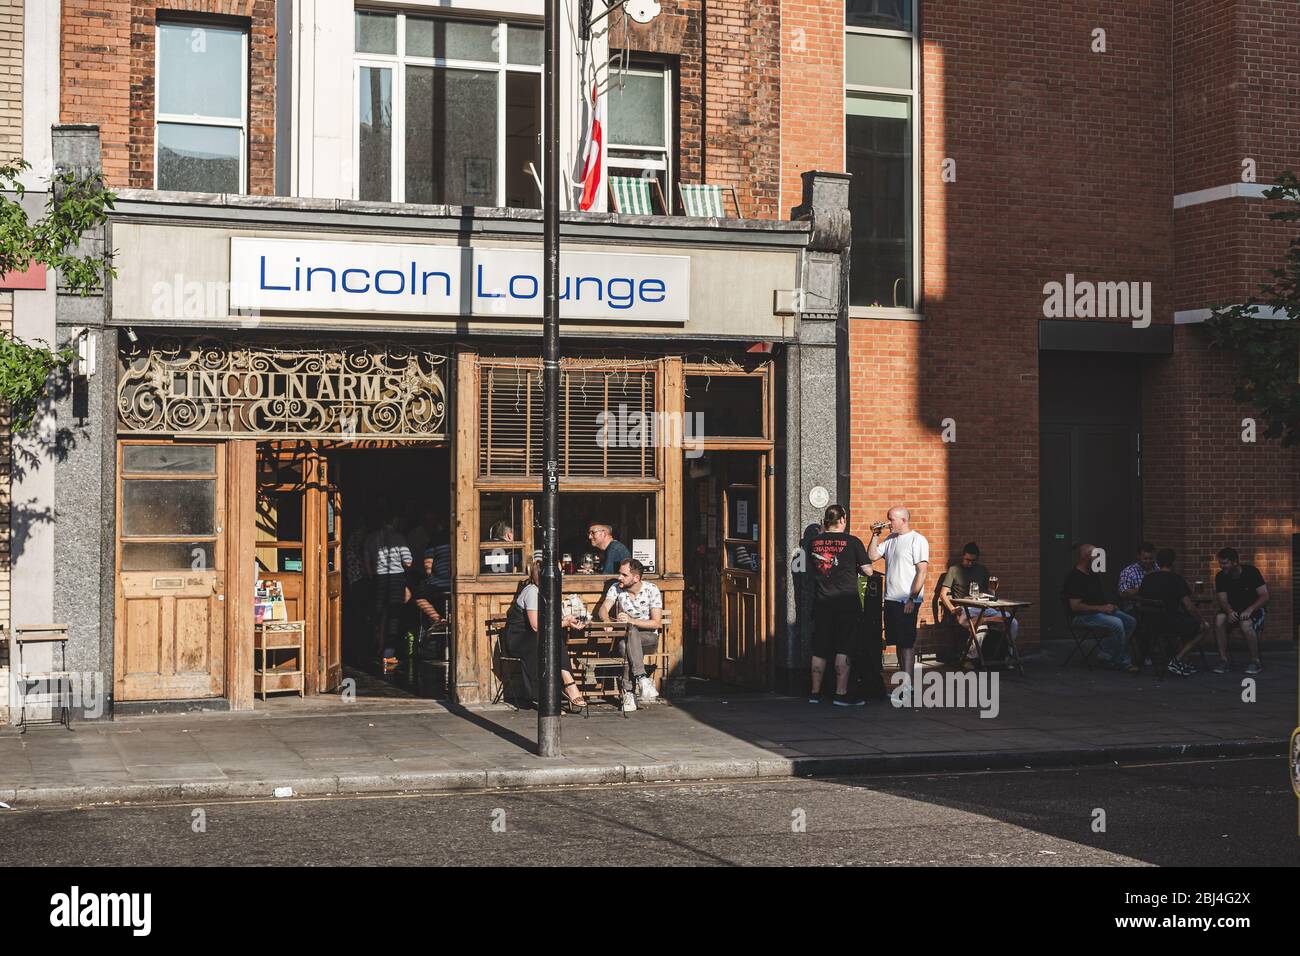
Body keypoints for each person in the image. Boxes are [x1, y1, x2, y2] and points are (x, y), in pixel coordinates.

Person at [807, 504, 871, 706]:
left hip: (822, 601)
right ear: (843, 519)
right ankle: (841, 694)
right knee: (844, 647)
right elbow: (868, 571)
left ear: (826, 520)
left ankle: (815, 694)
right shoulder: (852, 542)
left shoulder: (813, 543)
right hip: (846, 602)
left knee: (819, 648)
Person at [501, 557, 585, 710]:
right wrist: (564, 623)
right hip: (518, 639)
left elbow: (548, 621)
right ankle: (565, 687)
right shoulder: (533, 591)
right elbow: (536, 626)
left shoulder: (545, 591)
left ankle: (563, 687)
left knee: (552, 638)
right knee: (548, 639)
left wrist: (567, 619)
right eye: (557, 572)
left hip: (533, 637)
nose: (560, 575)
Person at [867, 506, 929, 695]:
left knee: (907, 643)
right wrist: (875, 535)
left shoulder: (917, 540)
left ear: (903, 520)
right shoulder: (890, 539)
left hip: (906, 601)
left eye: (891, 519)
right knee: (899, 643)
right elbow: (872, 556)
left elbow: (922, 571)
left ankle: (908, 686)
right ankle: (904, 682)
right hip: (891, 599)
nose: (888, 523)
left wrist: (912, 598)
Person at [595, 558, 662, 712]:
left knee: (628, 637)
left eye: (624, 575)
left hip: (649, 638)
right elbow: (603, 609)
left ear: (636, 578)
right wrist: (607, 621)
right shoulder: (616, 588)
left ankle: (628, 693)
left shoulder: (652, 590)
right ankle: (642, 679)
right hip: (625, 637)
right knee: (626, 643)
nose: (619, 577)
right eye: (620, 574)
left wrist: (631, 620)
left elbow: (656, 623)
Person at [1062, 542, 1138, 672]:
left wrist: (1107, 606)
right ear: (1086, 556)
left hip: (1098, 612)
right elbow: (1075, 607)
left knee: (1130, 621)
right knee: (1117, 624)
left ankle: (1106, 652)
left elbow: (1098, 599)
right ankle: (1119, 661)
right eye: (1096, 555)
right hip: (1081, 616)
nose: (1099, 558)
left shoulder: (1093, 574)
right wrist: (1101, 608)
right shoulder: (1075, 577)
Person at [939, 542, 1018, 664]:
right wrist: (952, 609)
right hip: (965, 608)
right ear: (963, 556)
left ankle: (1008, 656)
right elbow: (943, 594)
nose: (970, 563)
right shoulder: (954, 570)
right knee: (981, 627)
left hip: (983, 606)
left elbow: (990, 592)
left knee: (1012, 622)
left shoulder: (982, 570)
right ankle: (970, 658)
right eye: (967, 560)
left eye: (973, 561)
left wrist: (993, 595)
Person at [1137, 548, 1207, 677]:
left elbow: (1141, 599)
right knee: (1201, 628)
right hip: (1168, 624)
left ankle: (1183, 662)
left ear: (1157, 561)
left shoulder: (1148, 578)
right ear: (1173, 562)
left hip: (1147, 623)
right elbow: (1189, 606)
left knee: (1185, 622)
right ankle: (1176, 660)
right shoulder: (1176, 579)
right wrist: (1203, 620)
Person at [366, 505, 412, 667]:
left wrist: (373, 576)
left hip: (378, 578)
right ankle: (388, 654)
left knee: (379, 614)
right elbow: (407, 561)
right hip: (395, 579)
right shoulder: (398, 538)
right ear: (395, 520)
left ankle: (376, 647)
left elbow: (366, 562)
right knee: (393, 614)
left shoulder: (371, 538)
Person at [1212, 547, 1269, 675]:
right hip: (1233, 610)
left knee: (1245, 624)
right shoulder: (1221, 576)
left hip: (1253, 609)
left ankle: (1255, 661)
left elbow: (1265, 596)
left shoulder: (1251, 572)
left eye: (1225, 563)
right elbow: (1223, 600)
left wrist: (1250, 609)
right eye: (1220, 563)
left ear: (1235, 562)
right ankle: (1223, 660)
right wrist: (1229, 611)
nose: (1222, 566)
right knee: (1219, 619)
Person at [1118, 542, 1157, 612]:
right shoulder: (1128, 571)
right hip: (1135, 609)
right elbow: (1123, 594)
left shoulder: (1157, 568)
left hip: (1156, 607)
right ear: (1138, 557)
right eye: (1145, 559)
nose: (1148, 561)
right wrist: (1144, 588)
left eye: (1151, 558)